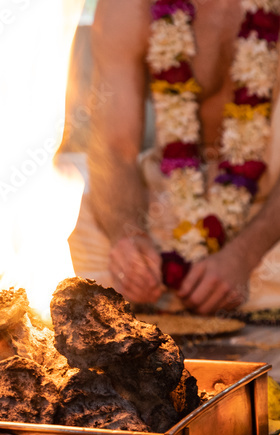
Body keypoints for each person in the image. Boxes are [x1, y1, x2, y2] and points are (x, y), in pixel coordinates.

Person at [69, 0, 280, 315]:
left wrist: (243, 256)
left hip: (268, 202)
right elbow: (114, 148)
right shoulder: (127, 8)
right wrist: (128, 235)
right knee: (74, 265)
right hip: (166, 196)